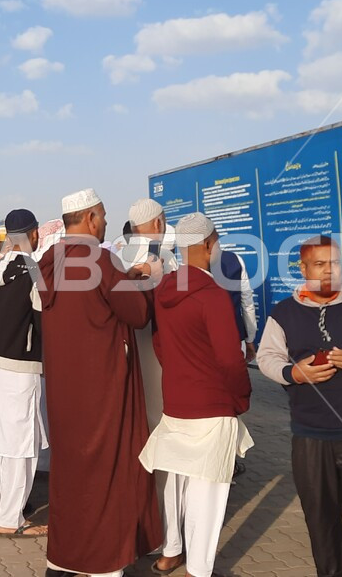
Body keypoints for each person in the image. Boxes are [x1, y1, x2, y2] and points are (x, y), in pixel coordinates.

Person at [255, 235, 342, 576]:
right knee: (322, 523)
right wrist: (294, 373)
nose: (328, 271)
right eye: (319, 264)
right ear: (303, 269)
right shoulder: (284, 313)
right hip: (310, 436)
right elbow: (266, 358)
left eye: (334, 263)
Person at [39, 188, 163, 577]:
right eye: (104, 215)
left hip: (62, 387)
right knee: (107, 471)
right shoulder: (100, 259)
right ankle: (102, 565)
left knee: (69, 472)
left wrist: (125, 275)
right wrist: (145, 280)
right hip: (102, 384)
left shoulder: (47, 260)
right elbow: (137, 313)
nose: (107, 222)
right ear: (91, 218)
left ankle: (60, 558)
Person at [140, 214, 254, 577]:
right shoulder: (213, 296)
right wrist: (241, 397)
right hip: (212, 402)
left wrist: (178, 371)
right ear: (208, 245)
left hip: (177, 399)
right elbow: (229, 359)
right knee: (209, 487)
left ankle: (170, 552)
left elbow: (159, 342)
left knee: (177, 477)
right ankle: (199, 569)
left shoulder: (164, 290)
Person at [0, 209, 48, 537]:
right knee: (19, 444)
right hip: (17, 365)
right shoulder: (33, 270)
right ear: (33, 235)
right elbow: (43, 322)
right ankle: (11, 519)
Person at [124, 198, 180, 430]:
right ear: (158, 223)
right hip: (159, 342)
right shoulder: (165, 256)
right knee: (160, 410)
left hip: (131, 344)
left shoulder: (119, 256)